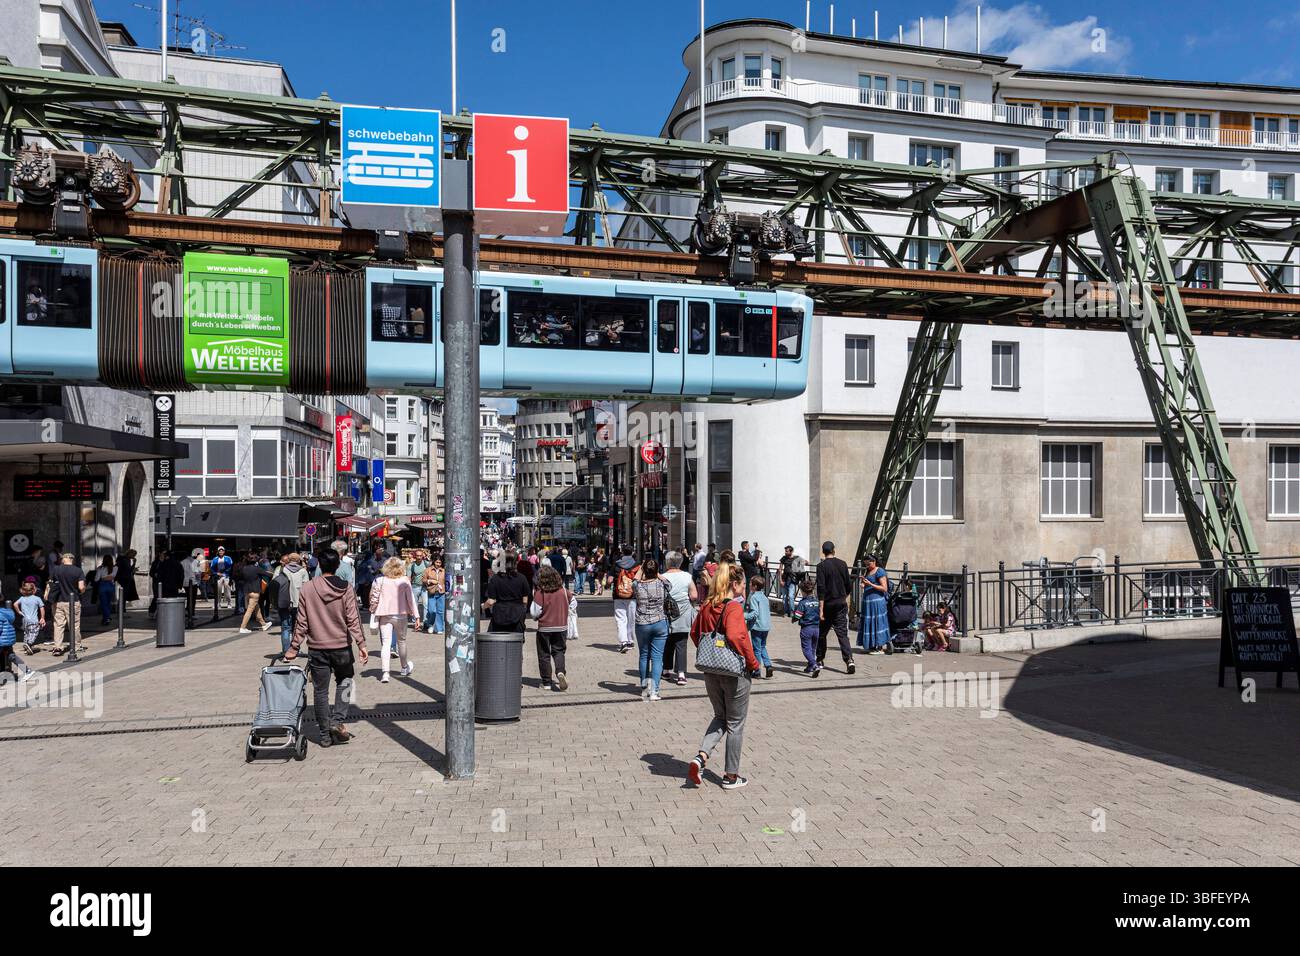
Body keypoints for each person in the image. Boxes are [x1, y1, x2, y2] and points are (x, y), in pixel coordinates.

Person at [686, 561, 761, 790]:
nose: (744, 589)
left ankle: (701, 756)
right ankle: (731, 776)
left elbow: (694, 633)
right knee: (736, 723)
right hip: (734, 671)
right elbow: (738, 637)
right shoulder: (733, 607)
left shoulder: (708, 604)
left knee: (720, 716)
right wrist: (753, 663)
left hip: (710, 670)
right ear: (735, 584)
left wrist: (710, 653)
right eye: (743, 585)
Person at [285, 549, 368, 747]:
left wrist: (293, 648)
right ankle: (337, 721)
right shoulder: (346, 588)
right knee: (346, 682)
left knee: (320, 691)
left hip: (317, 648)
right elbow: (353, 618)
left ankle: (324, 735)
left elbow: (301, 622)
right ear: (338, 565)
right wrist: (361, 644)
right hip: (341, 647)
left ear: (320, 566)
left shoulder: (308, 588)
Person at [370, 556, 418, 682]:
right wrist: (416, 616)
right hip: (401, 615)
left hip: (384, 614)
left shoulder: (380, 580)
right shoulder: (404, 580)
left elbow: (374, 598)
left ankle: (385, 673)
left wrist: (373, 610)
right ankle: (404, 667)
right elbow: (411, 599)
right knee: (401, 641)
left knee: (385, 643)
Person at [631, 559, 670, 700]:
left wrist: (641, 568)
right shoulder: (662, 584)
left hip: (642, 623)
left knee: (643, 655)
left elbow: (634, 581)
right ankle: (654, 691)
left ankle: (644, 687)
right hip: (660, 622)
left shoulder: (638, 585)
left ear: (644, 571)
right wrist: (657, 573)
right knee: (657, 657)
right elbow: (668, 583)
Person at [815, 540, 855, 674]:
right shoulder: (843, 564)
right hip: (840, 603)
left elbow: (821, 588)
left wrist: (821, 609)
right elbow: (848, 585)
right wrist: (843, 596)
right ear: (833, 550)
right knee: (842, 633)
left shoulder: (821, 566)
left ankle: (819, 659)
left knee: (822, 633)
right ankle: (849, 659)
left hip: (827, 605)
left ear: (823, 552)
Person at [532, 564, 572, 691]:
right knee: (559, 651)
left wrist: (538, 617)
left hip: (545, 628)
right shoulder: (564, 591)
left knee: (544, 654)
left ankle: (547, 682)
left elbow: (534, 612)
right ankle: (560, 672)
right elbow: (574, 603)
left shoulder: (540, 593)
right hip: (561, 627)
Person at [661, 551, 697, 686]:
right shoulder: (687, 576)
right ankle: (681, 674)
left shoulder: (662, 577)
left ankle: (666, 670)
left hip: (666, 613)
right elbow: (694, 595)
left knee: (667, 642)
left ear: (667, 562)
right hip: (683, 612)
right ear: (680, 562)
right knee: (681, 643)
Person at [270, 552, 310, 657]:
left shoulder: (281, 570)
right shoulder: (303, 571)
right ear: (298, 560)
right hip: (298, 604)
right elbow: (307, 588)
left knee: (285, 627)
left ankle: (285, 651)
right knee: (296, 627)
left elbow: (274, 583)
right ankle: (295, 650)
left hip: (284, 602)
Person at [47, 553, 86, 656]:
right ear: (72, 559)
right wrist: (80, 592)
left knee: (58, 625)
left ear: (64, 559)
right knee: (74, 625)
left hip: (58, 601)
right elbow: (81, 587)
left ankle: (58, 647)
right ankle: (76, 646)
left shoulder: (56, 569)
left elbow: (50, 583)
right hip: (73, 601)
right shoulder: (78, 570)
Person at [482, 552, 529, 634]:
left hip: (499, 616)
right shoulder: (522, 578)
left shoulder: (495, 579)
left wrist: (482, 607)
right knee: (516, 644)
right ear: (515, 562)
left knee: (498, 643)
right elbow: (525, 601)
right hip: (517, 616)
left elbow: (491, 601)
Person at [857, 555, 890, 655]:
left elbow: (884, 588)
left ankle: (879, 648)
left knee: (877, 622)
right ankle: (871, 646)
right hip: (868, 602)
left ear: (874, 561)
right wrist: (863, 584)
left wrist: (870, 584)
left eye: (869, 563)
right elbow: (867, 583)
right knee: (869, 622)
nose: (867, 566)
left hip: (877, 602)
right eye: (866, 564)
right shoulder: (867, 571)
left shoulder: (879, 571)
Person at [791, 578, 822, 676]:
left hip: (806, 629)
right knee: (813, 648)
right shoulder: (817, 601)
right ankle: (810, 667)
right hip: (816, 628)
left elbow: (798, 615)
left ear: (803, 591)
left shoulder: (803, 603)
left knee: (806, 649)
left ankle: (814, 664)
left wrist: (794, 619)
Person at [745, 575, 773, 679]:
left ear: (755, 586)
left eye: (751, 583)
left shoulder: (754, 597)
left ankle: (757, 670)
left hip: (757, 627)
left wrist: (743, 615)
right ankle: (768, 665)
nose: (749, 584)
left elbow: (754, 613)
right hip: (766, 626)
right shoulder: (764, 597)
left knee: (756, 649)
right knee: (762, 646)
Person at [238, 551, 272, 635]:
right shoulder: (257, 569)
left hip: (247, 591)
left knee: (256, 609)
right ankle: (243, 627)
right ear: (255, 561)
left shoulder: (244, 568)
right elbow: (268, 575)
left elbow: (240, 578)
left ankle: (264, 625)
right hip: (255, 591)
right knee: (249, 610)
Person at [612, 545, 639, 653]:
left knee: (620, 619)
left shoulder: (617, 564)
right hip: (632, 596)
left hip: (618, 595)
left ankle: (623, 642)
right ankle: (630, 640)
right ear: (632, 552)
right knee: (631, 619)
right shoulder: (637, 564)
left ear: (622, 553)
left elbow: (609, 579)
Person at [0, 602, 36, 683]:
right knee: (11, 656)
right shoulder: (8, 612)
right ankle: (27, 671)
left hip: (2, 640)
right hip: (8, 639)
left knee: (10, 655)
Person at [15, 580, 45, 655]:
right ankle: (29, 644)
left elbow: (15, 604)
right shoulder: (37, 598)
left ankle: (26, 644)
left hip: (25, 620)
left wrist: (19, 612)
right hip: (33, 620)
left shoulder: (22, 598)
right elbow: (42, 608)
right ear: (34, 590)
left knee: (26, 632)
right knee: (34, 632)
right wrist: (42, 617)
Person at [779, 545, 805, 617]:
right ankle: (786, 611)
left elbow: (806, 562)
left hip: (792, 580)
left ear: (791, 551)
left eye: (787, 551)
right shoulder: (783, 558)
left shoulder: (796, 558)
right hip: (784, 579)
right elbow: (780, 569)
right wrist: (780, 580)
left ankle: (792, 611)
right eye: (785, 551)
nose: (785, 552)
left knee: (790, 596)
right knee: (784, 597)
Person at [423, 556, 446, 634]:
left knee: (440, 611)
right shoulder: (428, 570)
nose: (438, 564)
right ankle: (430, 624)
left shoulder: (443, 571)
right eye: (437, 562)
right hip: (431, 592)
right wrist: (430, 581)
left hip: (441, 593)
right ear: (434, 562)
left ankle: (439, 628)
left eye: (440, 563)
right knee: (431, 610)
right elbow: (423, 580)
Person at [409, 550, 430, 632]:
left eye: (420, 555)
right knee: (415, 605)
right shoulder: (411, 566)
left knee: (426, 605)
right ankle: (415, 622)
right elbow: (408, 578)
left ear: (422, 556)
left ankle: (425, 623)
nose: (419, 557)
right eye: (417, 556)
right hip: (414, 587)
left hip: (424, 587)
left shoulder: (426, 564)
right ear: (415, 556)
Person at [93, 555, 117, 625]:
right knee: (108, 602)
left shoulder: (100, 568)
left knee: (103, 603)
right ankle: (107, 617)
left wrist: (103, 578)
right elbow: (112, 577)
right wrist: (108, 577)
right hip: (111, 586)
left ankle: (106, 618)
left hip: (102, 586)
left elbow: (96, 579)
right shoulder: (115, 568)